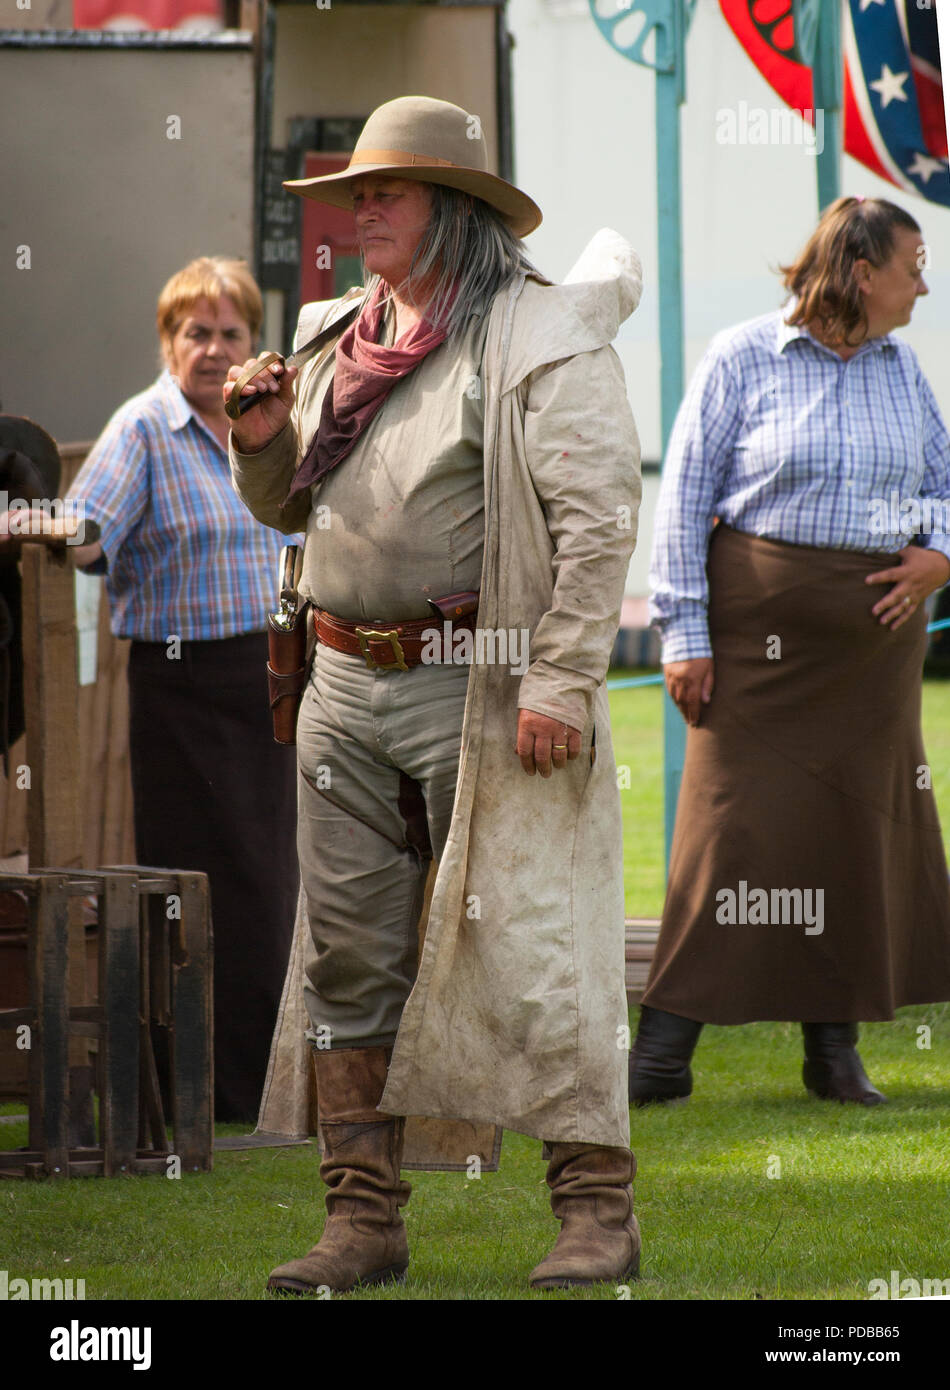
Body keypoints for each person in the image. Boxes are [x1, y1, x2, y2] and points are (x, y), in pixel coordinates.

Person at [227, 95, 643, 1292]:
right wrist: (261, 440)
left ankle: (594, 1217)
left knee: (535, 946)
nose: (360, 210)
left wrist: (560, 676)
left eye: (385, 191)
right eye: (355, 192)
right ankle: (362, 1223)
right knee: (347, 964)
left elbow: (596, 519)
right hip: (340, 685)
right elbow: (288, 507)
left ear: (453, 210)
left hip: (485, 688)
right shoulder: (330, 339)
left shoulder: (538, 333)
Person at [632, 196, 950, 1108]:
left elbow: (944, 482)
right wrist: (684, 636)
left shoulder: (904, 370)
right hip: (752, 651)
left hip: (873, 655)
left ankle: (833, 1054)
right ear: (861, 272)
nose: (924, 282)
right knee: (729, 836)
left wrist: (939, 554)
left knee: (852, 836)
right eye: (913, 264)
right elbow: (684, 503)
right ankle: (661, 1053)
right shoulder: (741, 357)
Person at [64, 258, 299, 1123]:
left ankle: (257, 1085)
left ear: (251, 343)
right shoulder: (143, 430)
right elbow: (85, 537)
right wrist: (45, 529)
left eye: (230, 333)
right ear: (168, 343)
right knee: (196, 888)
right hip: (181, 687)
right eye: (195, 333)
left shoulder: (269, 425)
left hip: (268, 679)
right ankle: (199, 1086)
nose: (213, 349)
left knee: (269, 880)